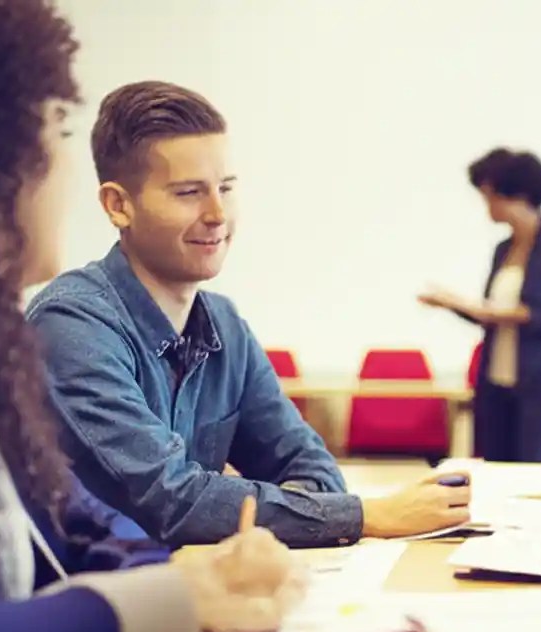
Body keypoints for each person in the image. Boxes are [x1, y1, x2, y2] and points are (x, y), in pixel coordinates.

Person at [0, 2, 303, 632]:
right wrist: (173, 599)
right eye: (55, 130)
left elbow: (77, 526)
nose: (60, 169)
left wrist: (198, 579)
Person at [27, 81, 471, 548]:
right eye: (188, 193)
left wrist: (276, 521)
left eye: (226, 188)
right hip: (113, 607)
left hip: (218, 598)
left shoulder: (224, 324)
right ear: (119, 206)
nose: (218, 214)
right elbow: (172, 502)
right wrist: (365, 515)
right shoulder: (71, 325)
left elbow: (310, 467)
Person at [420, 149, 541, 462]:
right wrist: (454, 304)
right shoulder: (503, 249)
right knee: (495, 470)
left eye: (489, 196)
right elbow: (492, 317)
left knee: (537, 477)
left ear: (515, 194)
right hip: (497, 386)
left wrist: (524, 315)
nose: (486, 205)